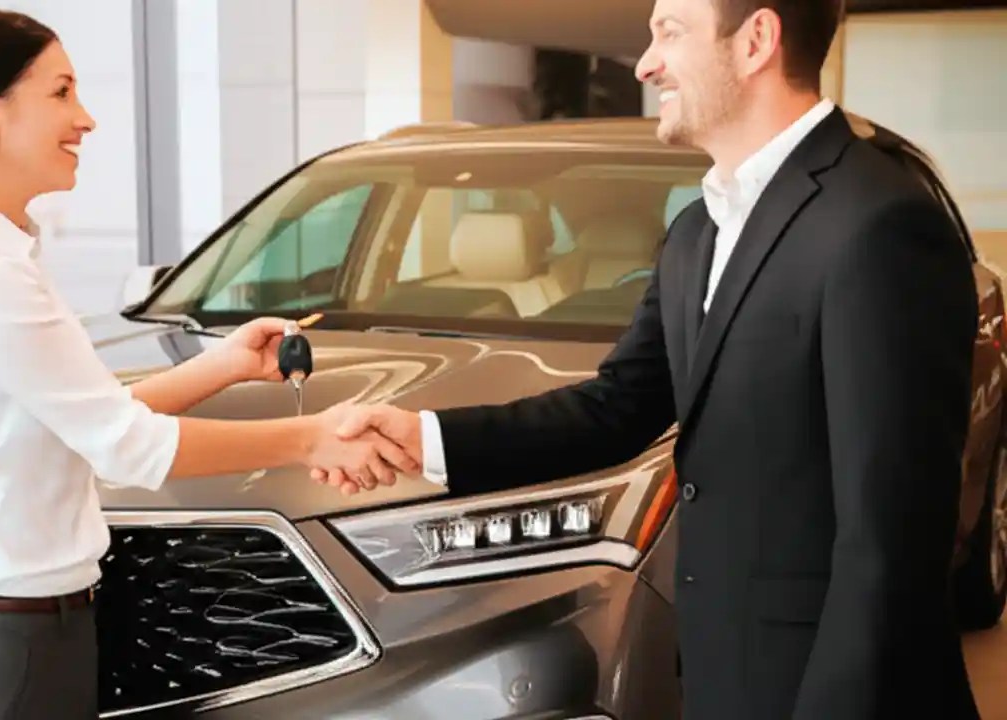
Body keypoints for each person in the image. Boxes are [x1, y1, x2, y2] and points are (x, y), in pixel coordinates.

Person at [314, 0, 983, 718]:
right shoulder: (698, 230)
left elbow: (890, 546)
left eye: (670, 32)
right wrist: (423, 438)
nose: (645, 63)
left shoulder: (881, 222)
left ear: (756, 40)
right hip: (731, 672)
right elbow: (617, 408)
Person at [0, 8, 413, 720]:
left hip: (26, 640)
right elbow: (126, 445)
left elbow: (88, 417)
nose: (86, 119)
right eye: (61, 93)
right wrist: (309, 437)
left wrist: (225, 365)